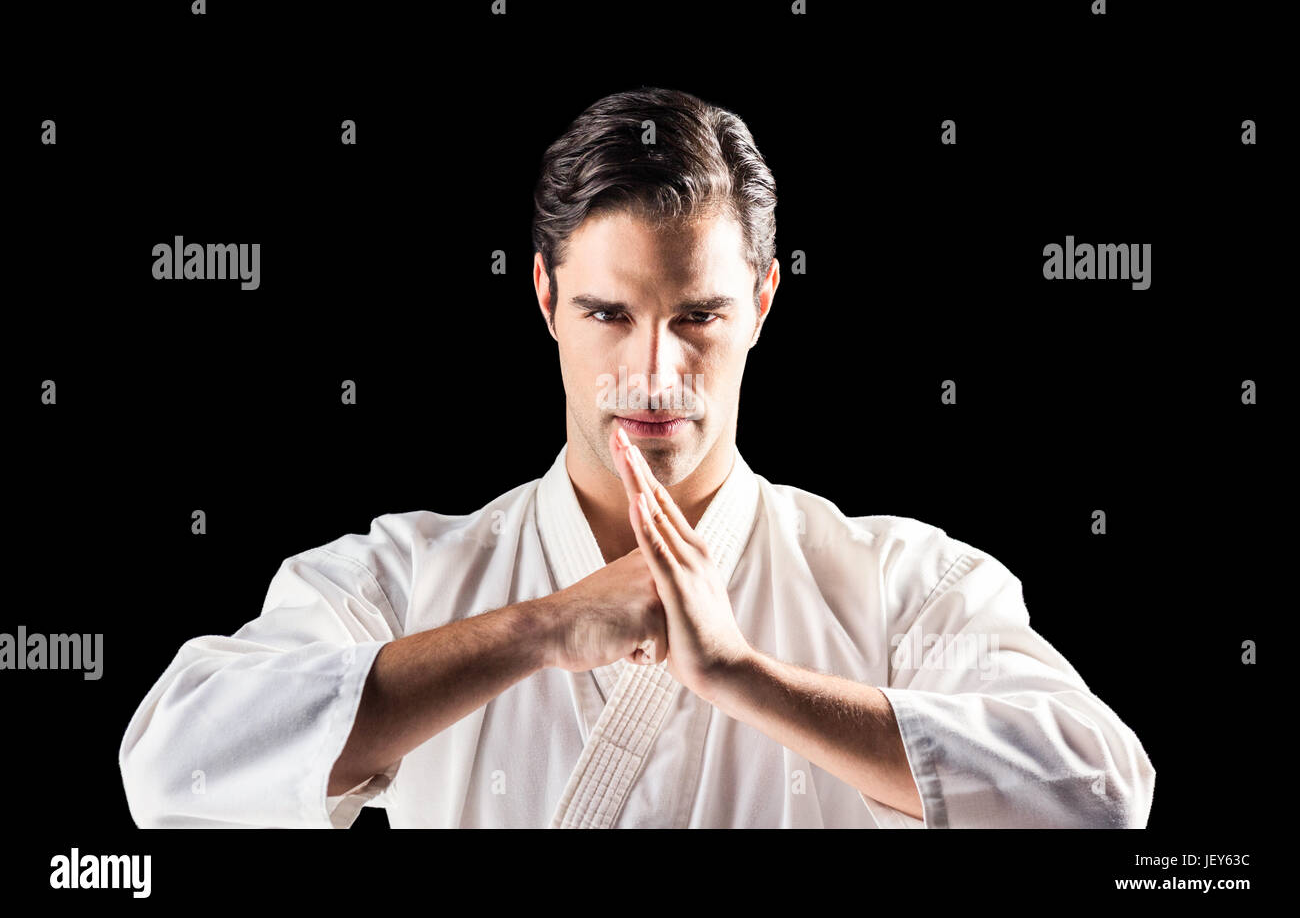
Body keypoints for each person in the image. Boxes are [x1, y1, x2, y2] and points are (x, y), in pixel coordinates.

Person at [119, 87, 1156, 828]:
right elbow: (172, 762)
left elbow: (1102, 790)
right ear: (544, 298)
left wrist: (747, 676)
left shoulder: (898, 583)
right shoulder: (413, 578)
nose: (653, 373)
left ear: (763, 301)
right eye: (608, 314)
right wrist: (537, 627)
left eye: (698, 316)